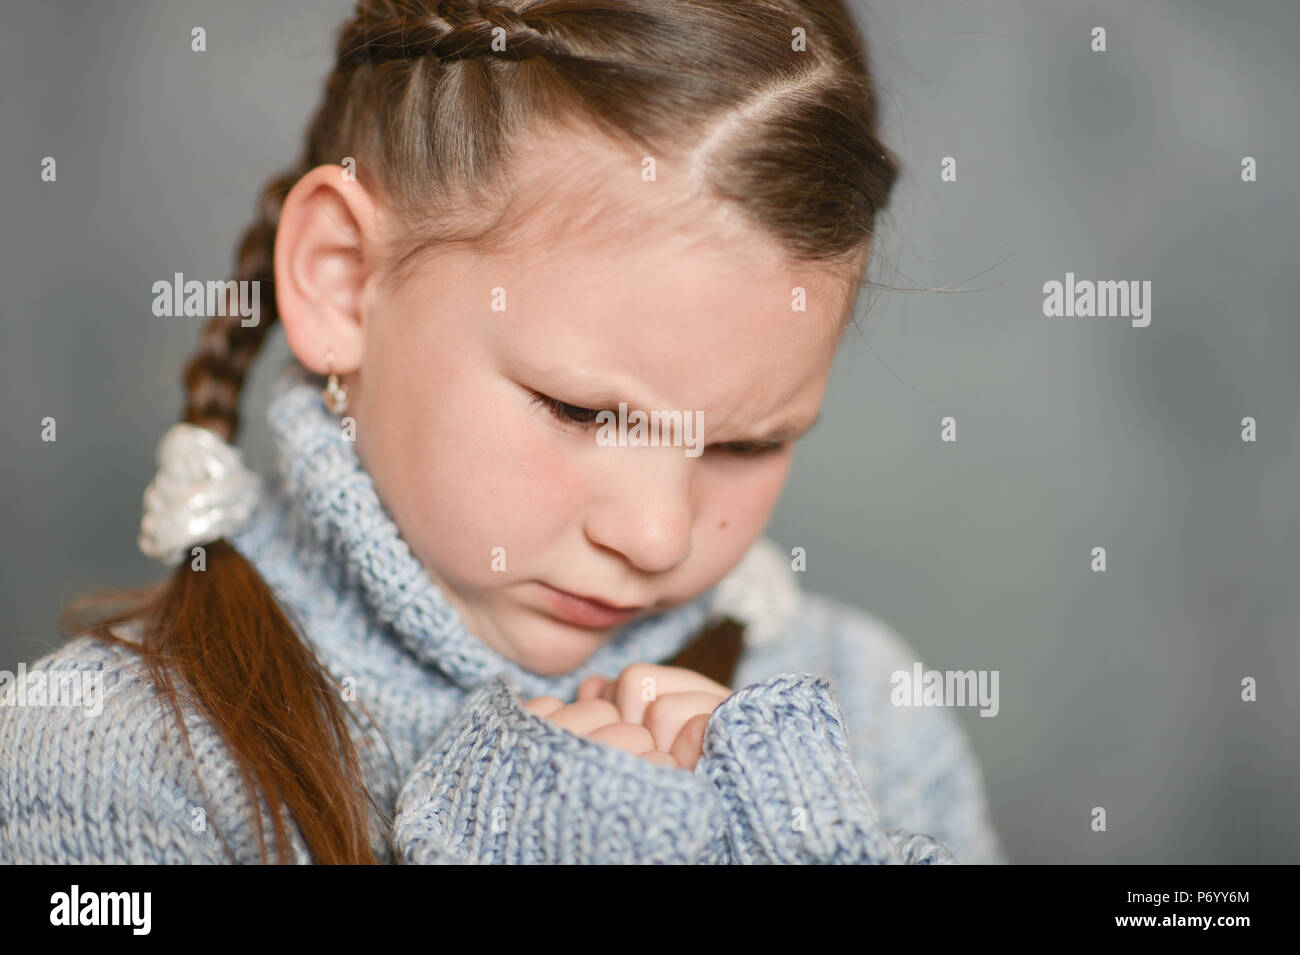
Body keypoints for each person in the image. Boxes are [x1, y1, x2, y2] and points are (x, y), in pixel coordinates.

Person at [0, 0, 1006, 864]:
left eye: (747, 444)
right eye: (580, 411)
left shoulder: (866, 714)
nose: (656, 536)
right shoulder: (96, 763)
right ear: (344, 281)